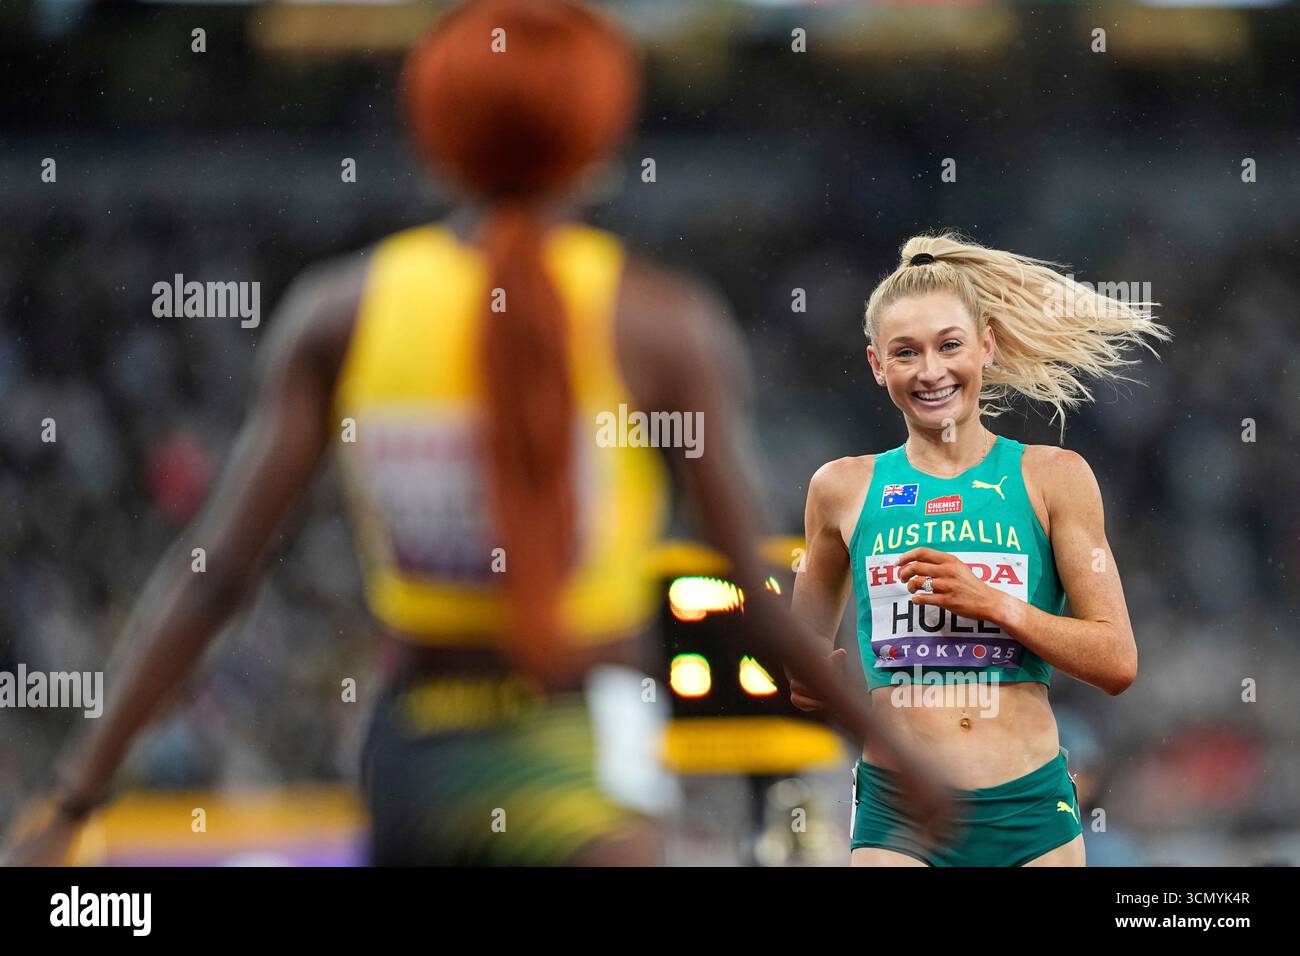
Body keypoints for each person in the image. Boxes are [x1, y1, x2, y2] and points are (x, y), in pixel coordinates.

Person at [1, 0, 949, 867]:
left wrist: (77, 795)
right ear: (597, 148)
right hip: (583, 745)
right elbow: (750, 585)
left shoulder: (340, 313)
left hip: (415, 758)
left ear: (438, 145)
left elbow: (217, 576)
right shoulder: (658, 322)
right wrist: (899, 753)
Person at [788, 233, 1172, 866]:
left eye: (949, 345)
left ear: (986, 346)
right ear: (877, 365)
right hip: (899, 813)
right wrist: (812, 679)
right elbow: (803, 662)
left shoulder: (1053, 476)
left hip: (1030, 814)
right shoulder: (840, 489)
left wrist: (996, 604)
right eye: (905, 353)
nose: (931, 371)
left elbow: (1117, 660)